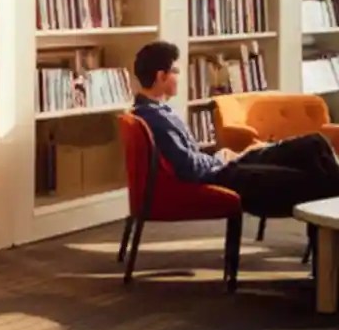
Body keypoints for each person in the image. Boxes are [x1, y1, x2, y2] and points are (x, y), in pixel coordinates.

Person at [132, 40, 339, 214]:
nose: (179, 76)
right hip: (221, 175)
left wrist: (225, 155)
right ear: (161, 76)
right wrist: (222, 158)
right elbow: (189, 168)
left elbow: (188, 158)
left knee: (314, 145)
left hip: (221, 167)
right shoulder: (155, 118)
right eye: (176, 71)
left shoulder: (156, 111)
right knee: (315, 176)